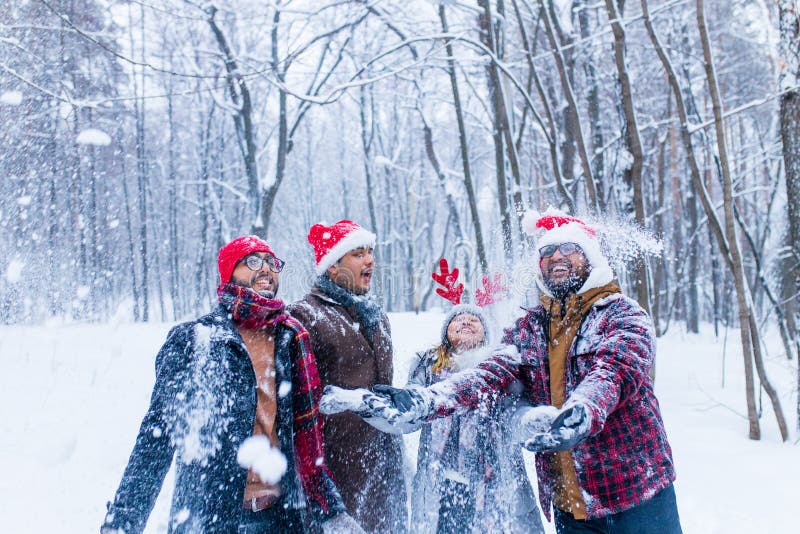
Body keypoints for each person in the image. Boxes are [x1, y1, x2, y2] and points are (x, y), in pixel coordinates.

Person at [323, 209, 683, 534]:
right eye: (547, 252)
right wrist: (425, 400)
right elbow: (487, 375)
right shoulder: (529, 328)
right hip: (570, 506)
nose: (556, 257)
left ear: (590, 256)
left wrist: (583, 411)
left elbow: (615, 372)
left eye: (569, 249)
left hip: (636, 492)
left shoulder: (621, 314)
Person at [101, 235, 361, 534]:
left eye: (272, 263)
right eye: (253, 261)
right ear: (229, 272)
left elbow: (305, 438)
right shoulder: (195, 340)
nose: (266, 269)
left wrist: (332, 510)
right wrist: (123, 522)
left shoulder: (290, 339)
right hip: (210, 517)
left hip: (281, 518)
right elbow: (156, 438)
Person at [288, 220, 407, 533]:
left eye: (370, 252)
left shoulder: (377, 316)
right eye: (357, 254)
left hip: (384, 464)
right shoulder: (304, 315)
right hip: (337, 471)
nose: (370, 260)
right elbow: (296, 407)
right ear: (332, 267)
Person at [396, 302, 544, 534]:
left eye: (474, 320)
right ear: (446, 331)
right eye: (457, 319)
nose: (465, 322)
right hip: (441, 485)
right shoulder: (428, 365)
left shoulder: (502, 368)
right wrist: (393, 409)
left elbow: (515, 414)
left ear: (486, 332)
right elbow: (410, 415)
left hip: (495, 481)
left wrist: (531, 422)